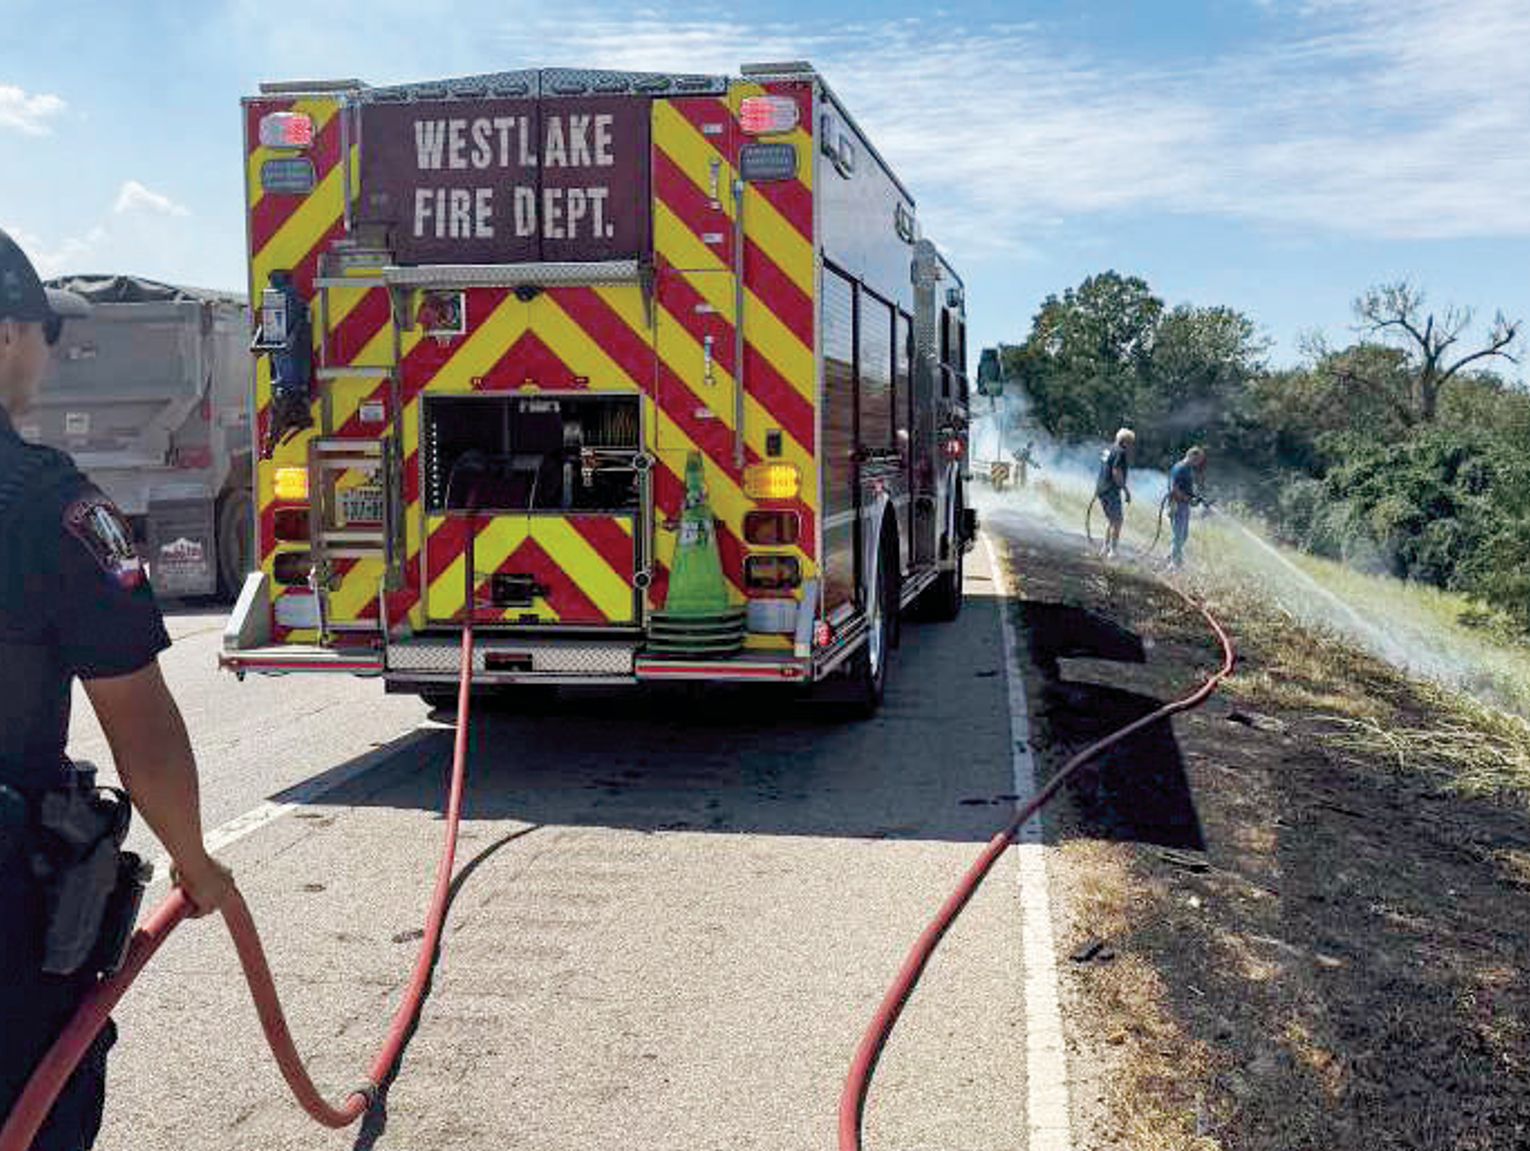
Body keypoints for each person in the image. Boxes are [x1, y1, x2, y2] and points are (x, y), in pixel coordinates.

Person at [1, 228, 233, 1150]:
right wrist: (195, 860)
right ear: (7, 336)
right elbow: (141, 726)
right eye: (45, 332)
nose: (50, 354)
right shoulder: (49, 509)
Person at [1094, 427, 1135, 558]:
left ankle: (1105, 548)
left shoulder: (1108, 449)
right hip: (1111, 490)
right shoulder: (1120, 452)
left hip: (1101, 488)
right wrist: (1125, 490)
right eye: (1130, 443)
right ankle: (1113, 551)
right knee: (1118, 521)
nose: (1131, 446)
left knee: (1111, 520)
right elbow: (1116, 472)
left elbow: (1105, 468)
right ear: (1125, 441)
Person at [1167, 445, 1208, 568]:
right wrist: (1189, 500)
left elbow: (1186, 488)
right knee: (1178, 535)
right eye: (1198, 460)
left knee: (1183, 535)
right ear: (1191, 456)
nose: (1198, 463)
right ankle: (1174, 564)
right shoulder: (1180, 468)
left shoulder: (1187, 469)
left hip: (1183, 505)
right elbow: (1174, 489)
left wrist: (1196, 497)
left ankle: (1171, 556)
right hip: (1176, 505)